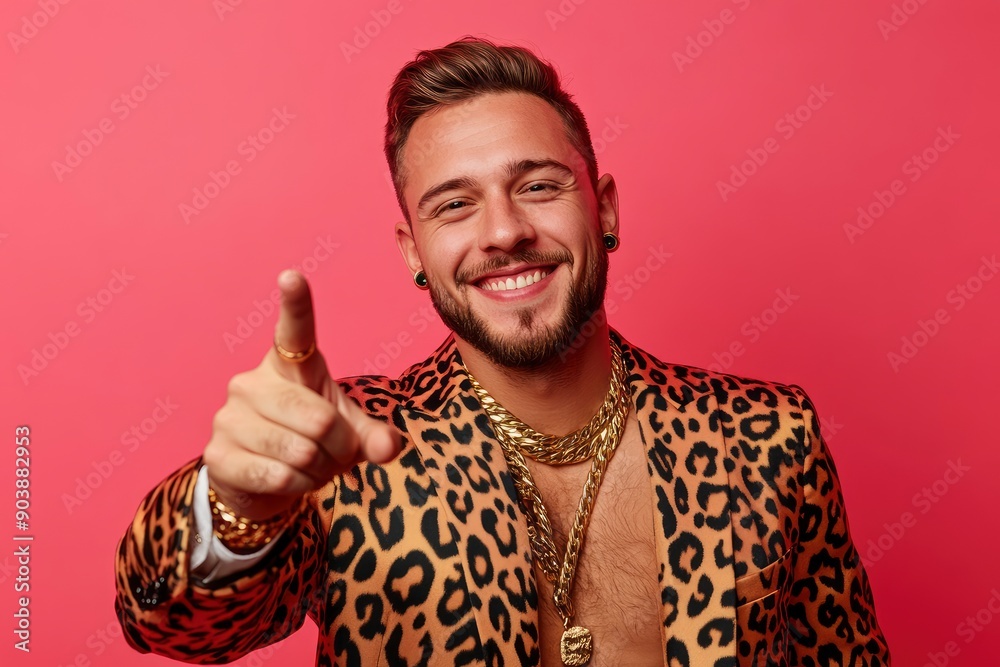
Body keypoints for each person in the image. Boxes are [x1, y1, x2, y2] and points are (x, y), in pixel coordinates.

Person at [115, 36, 891, 666]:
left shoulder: (766, 435)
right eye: (454, 204)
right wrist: (236, 505)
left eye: (540, 186)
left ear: (605, 206)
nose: (503, 231)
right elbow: (175, 627)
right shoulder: (344, 451)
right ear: (413, 250)